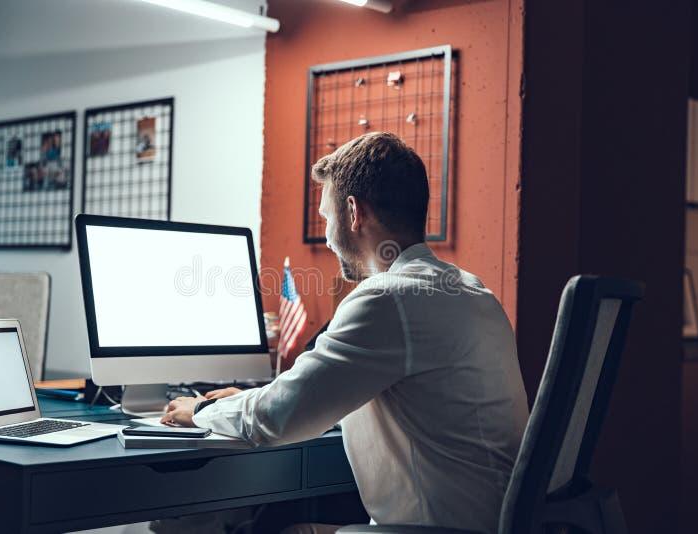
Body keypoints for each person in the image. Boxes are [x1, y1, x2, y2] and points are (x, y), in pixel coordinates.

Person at [161, 132, 529, 534]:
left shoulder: (387, 298)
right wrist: (251, 398)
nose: (327, 235)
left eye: (326, 217)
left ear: (353, 212)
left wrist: (200, 411)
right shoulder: (469, 289)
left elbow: (277, 418)